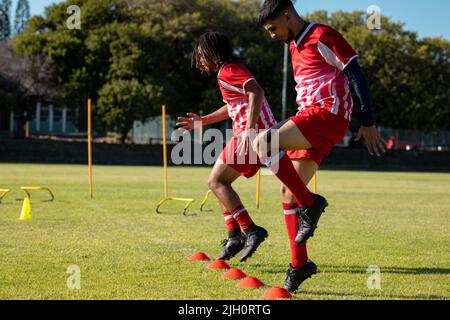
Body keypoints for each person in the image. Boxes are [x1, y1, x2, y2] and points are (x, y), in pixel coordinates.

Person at [256, 0, 387, 292]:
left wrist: (367, 120)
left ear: (288, 16)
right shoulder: (293, 46)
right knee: (287, 192)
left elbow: (356, 73)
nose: (272, 35)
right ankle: (299, 265)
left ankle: (312, 203)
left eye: (273, 28)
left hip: (328, 115)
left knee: (262, 142)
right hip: (310, 119)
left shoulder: (322, 35)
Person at [176, 32, 277, 262]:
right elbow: (232, 107)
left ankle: (250, 230)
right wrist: (202, 121)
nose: (200, 61)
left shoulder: (228, 71)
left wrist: (249, 131)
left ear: (213, 53)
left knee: (215, 182)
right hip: (257, 134)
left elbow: (256, 91)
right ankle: (234, 236)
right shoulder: (229, 71)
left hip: (252, 135)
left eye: (201, 55)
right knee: (221, 183)